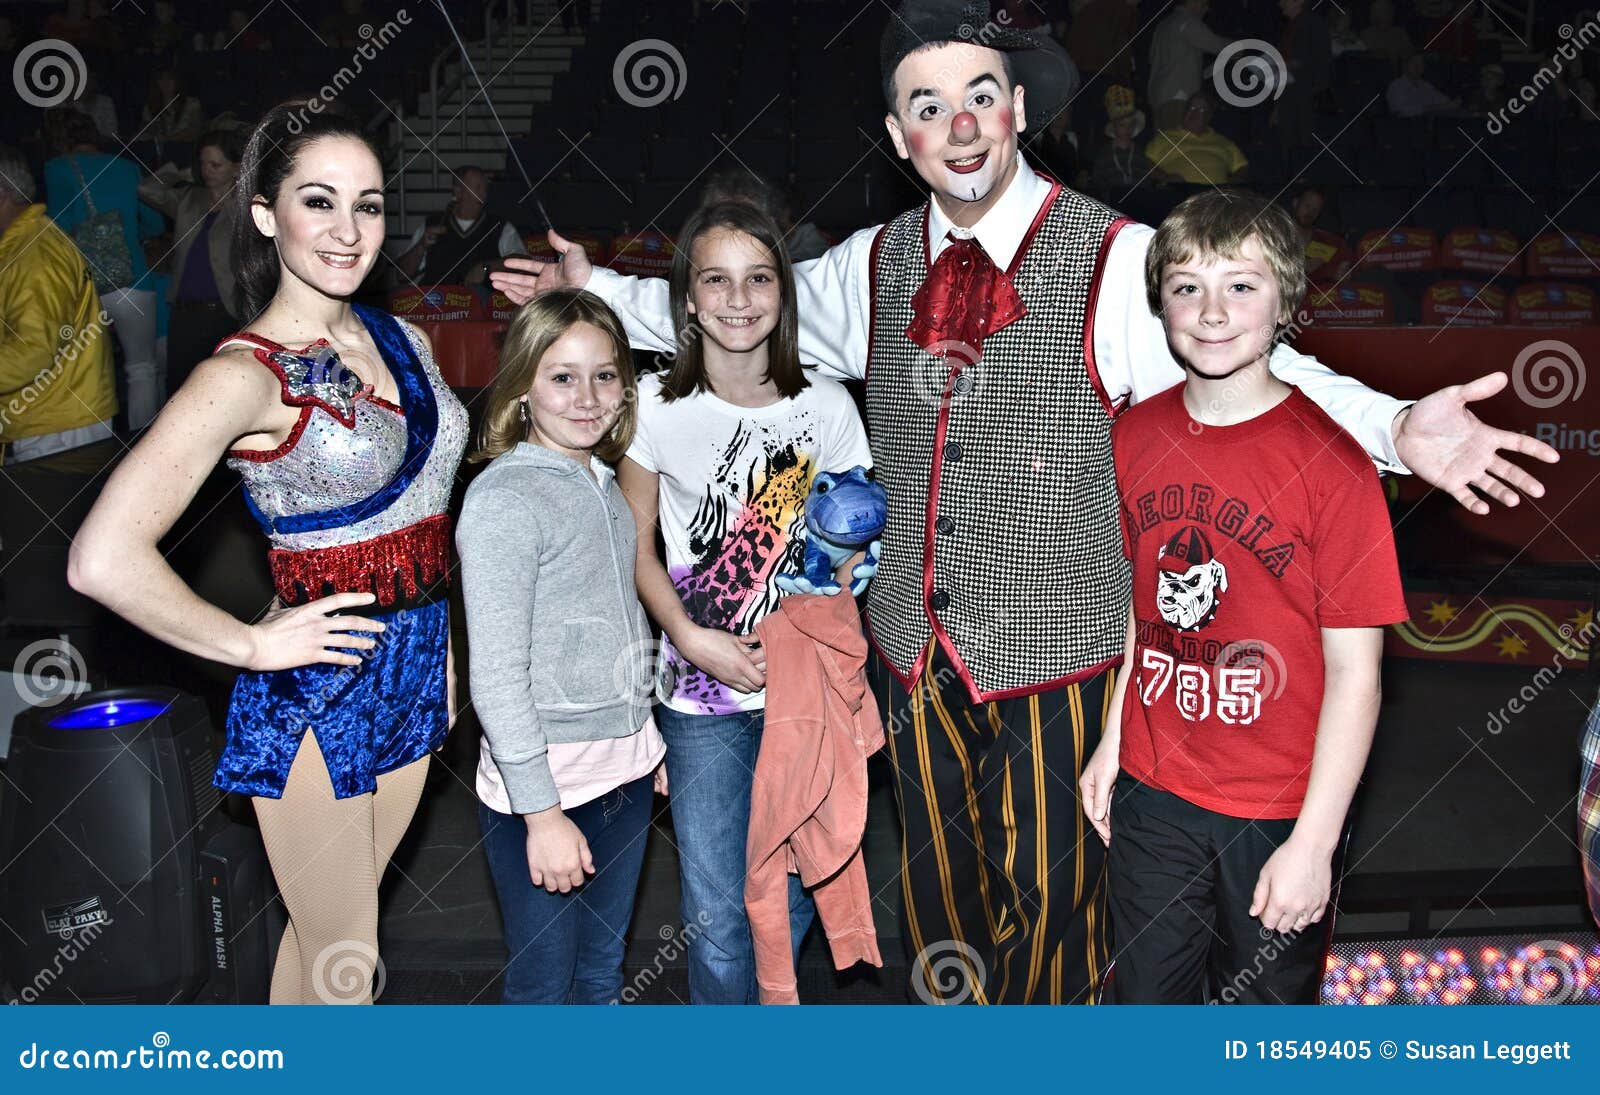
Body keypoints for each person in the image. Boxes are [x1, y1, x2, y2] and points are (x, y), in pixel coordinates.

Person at [492, 0, 1558, 1006]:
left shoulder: (1119, 258)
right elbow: (733, 311)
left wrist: (1393, 427)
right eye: (927, 105)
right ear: (897, 136)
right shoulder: (869, 266)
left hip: (1060, 660)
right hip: (914, 658)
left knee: (1055, 924)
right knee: (939, 916)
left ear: (1015, 109)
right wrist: (599, 293)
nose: (958, 126)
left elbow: (1254, 363)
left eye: (979, 97)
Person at [68, 102, 469, 1005]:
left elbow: (427, 511)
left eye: (368, 205)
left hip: (416, 667)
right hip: (316, 688)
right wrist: (249, 644)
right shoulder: (241, 374)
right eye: (318, 201)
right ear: (263, 213)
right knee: (347, 958)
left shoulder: (403, 338)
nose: (347, 230)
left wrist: (441, 647)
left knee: (329, 941)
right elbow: (101, 556)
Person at [1080, 191, 1409, 1003]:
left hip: (1278, 808)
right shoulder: (1132, 436)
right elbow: (1143, 611)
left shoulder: (1336, 466)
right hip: (1155, 791)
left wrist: (1315, 843)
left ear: (1286, 301)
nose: (1212, 311)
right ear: (1160, 305)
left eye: (1240, 285)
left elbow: (1358, 674)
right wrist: (1114, 740)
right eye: (1187, 286)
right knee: (1143, 1009)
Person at [614, 201, 874, 1004]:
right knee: (720, 916)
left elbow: (858, 541)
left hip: (808, 690)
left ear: (782, 294)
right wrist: (691, 638)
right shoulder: (654, 405)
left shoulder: (827, 404)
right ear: (688, 299)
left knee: (795, 888)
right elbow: (636, 547)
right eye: (716, 280)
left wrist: (844, 569)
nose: (738, 298)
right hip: (703, 697)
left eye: (758, 278)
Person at [457, 289, 666, 1005]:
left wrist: (646, 740)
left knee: (602, 973)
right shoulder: (505, 500)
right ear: (523, 386)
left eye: (605, 375)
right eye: (562, 377)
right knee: (544, 985)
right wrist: (541, 816)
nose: (587, 397)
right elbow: (495, 675)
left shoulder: (602, 481)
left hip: (624, 771)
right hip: (545, 787)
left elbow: (624, 620)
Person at [0, 144, 118, 639]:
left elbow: (32, 351)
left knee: (49, 561)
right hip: (58, 418)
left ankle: (55, 655)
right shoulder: (25, 245)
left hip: (58, 426)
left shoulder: (31, 254)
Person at [45, 111, 164, 429]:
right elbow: (153, 222)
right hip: (133, 279)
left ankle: (94, 443)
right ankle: (141, 444)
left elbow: (57, 226)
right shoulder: (126, 167)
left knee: (86, 370)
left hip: (82, 284)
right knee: (141, 369)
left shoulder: (57, 168)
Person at [138, 128, 244, 391]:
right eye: (203, 163)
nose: (207, 170)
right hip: (185, 312)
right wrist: (178, 173)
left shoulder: (245, 205)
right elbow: (147, 189)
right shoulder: (189, 199)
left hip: (226, 312)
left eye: (216, 165)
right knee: (179, 388)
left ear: (236, 167)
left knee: (223, 389)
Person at [396, 165, 526, 286]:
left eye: (485, 188)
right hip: (436, 299)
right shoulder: (433, 224)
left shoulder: (499, 226)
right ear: (458, 192)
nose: (484, 194)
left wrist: (487, 267)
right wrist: (421, 246)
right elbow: (401, 275)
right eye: (478, 187)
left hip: (479, 300)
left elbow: (522, 261)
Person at [1147, 0, 1233, 131]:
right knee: (1178, 140)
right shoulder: (1188, 21)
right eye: (1205, 4)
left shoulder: (1164, 24)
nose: (1206, 10)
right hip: (1178, 96)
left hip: (1158, 98)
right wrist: (1243, 48)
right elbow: (1216, 44)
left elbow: (1155, 59)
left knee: (1165, 141)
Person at [1145, 92, 1249, 185]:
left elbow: (1242, 166)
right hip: (1178, 192)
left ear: (1209, 116)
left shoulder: (1224, 142)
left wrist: (1235, 181)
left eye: (1201, 110)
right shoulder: (1165, 137)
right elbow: (1145, 162)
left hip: (1216, 194)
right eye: (1191, 108)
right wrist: (1164, 177)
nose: (1193, 113)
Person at [1089, 85, 1147, 199]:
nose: (1127, 129)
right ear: (1114, 127)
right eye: (1122, 125)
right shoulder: (1104, 154)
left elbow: (1145, 181)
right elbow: (1098, 183)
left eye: (1131, 125)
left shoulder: (1140, 153)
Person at [1387, 53, 1462, 118]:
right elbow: (1401, 112)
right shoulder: (1396, 86)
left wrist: (1454, 103)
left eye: (1421, 64)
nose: (1417, 67)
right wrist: (1433, 108)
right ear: (1405, 66)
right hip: (1406, 126)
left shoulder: (1426, 85)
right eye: (1414, 63)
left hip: (1429, 123)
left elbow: (1443, 100)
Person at [141, 69, 206, 144]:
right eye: (161, 79)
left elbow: (196, 130)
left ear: (177, 81)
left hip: (186, 147)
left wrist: (172, 139)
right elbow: (147, 131)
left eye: (170, 78)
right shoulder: (149, 108)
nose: (166, 82)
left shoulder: (192, 104)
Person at [1361, 0, 1415, 66]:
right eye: (1375, 12)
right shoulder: (1366, 34)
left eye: (1384, 11)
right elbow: (1365, 55)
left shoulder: (1399, 33)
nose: (1377, 15)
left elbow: (1409, 53)